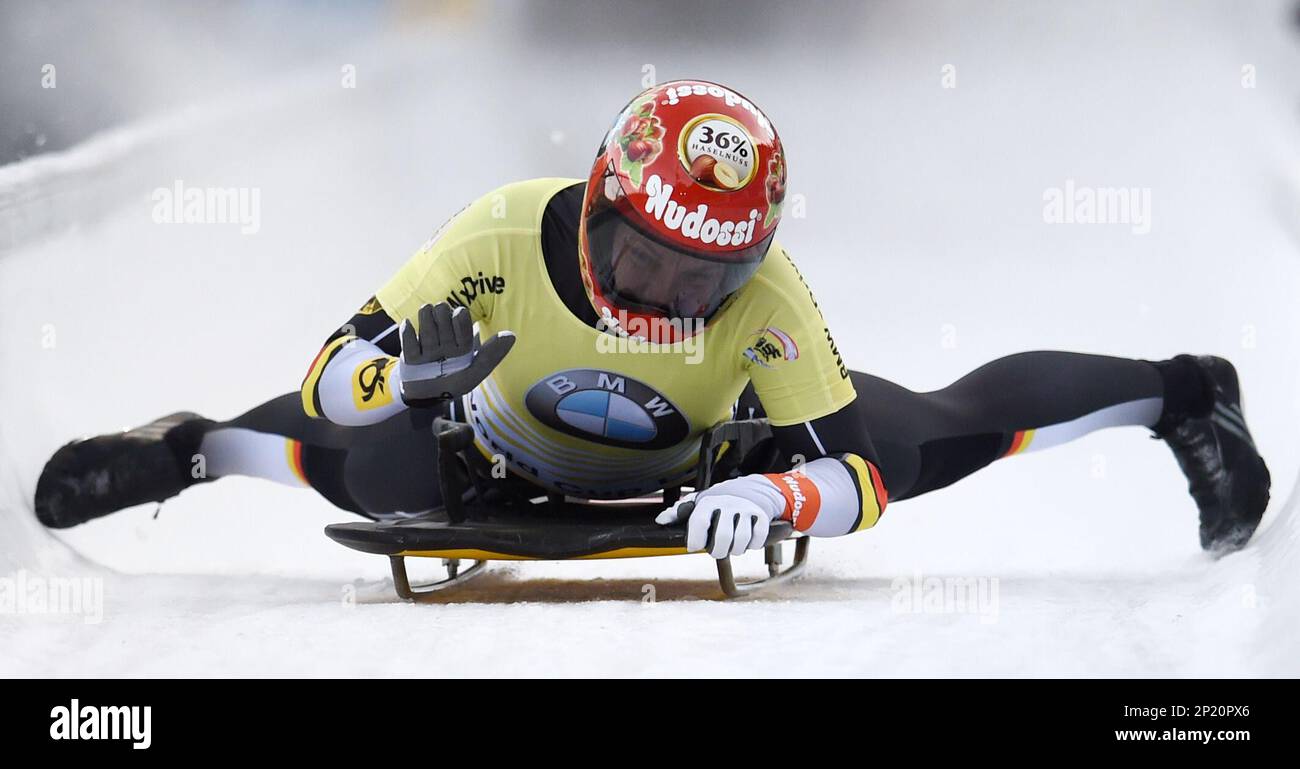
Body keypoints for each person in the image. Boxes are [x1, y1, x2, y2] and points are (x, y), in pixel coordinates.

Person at [34, 79, 1270, 558]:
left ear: (751, 263)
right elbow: (330, 375)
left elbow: (855, 473)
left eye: (703, 281)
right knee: (355, 456)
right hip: (493, 444)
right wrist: (406, 389)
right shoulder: (491, 237)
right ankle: (185, 446)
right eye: (642, 259)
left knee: (926, 434)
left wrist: (788, 496)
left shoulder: (767, 298)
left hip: (703, 455)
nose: (664, 301)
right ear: (595, 211)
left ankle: (1183, 392)